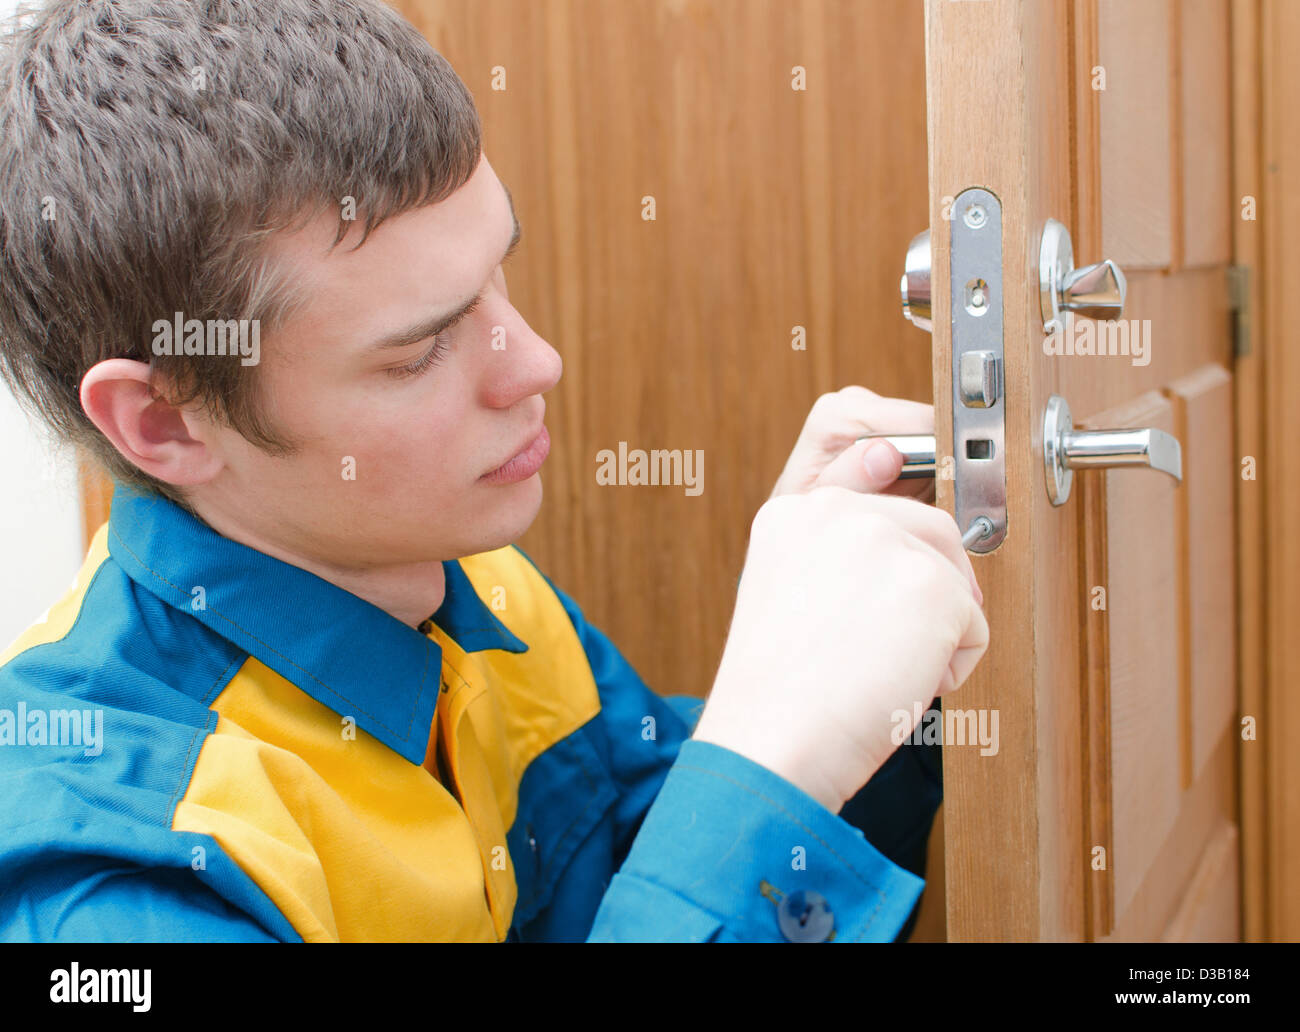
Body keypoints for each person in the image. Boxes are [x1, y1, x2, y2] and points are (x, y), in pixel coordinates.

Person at [0, 0, 987, 942]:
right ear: (163, 422)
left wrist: (848, 662)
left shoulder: (473, 587)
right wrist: (765, 767)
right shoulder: (103, 877)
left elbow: (670, 864)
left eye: (494, 276)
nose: (537, 363)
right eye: (420, 349)